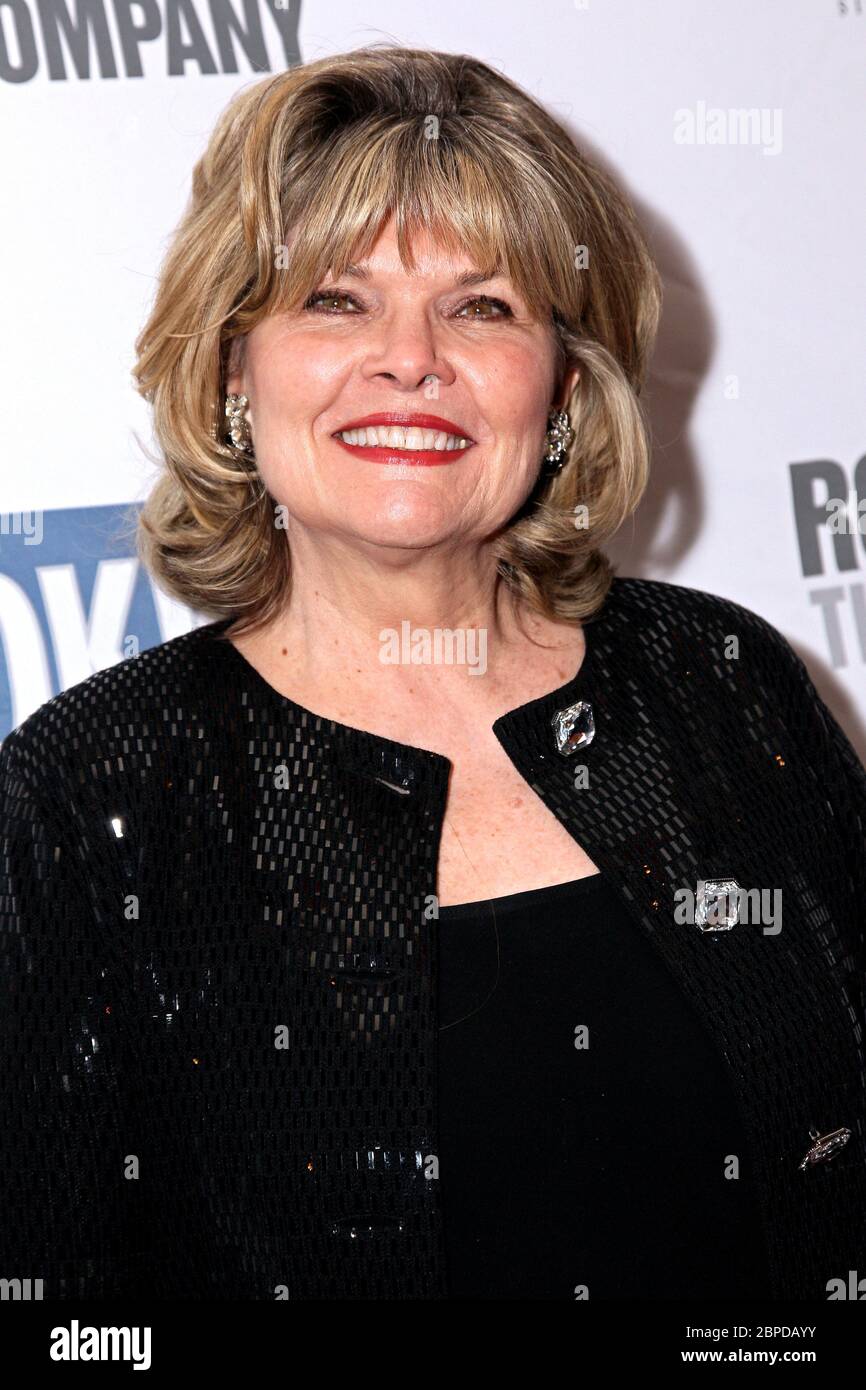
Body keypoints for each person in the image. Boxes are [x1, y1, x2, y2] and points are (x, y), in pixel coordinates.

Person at [1, 45, 864, 1301]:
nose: (410, 358)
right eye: (335, 301)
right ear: (234, 370)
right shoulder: (91, 798)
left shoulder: (720, 681)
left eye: (482, 306)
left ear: (563, 387)